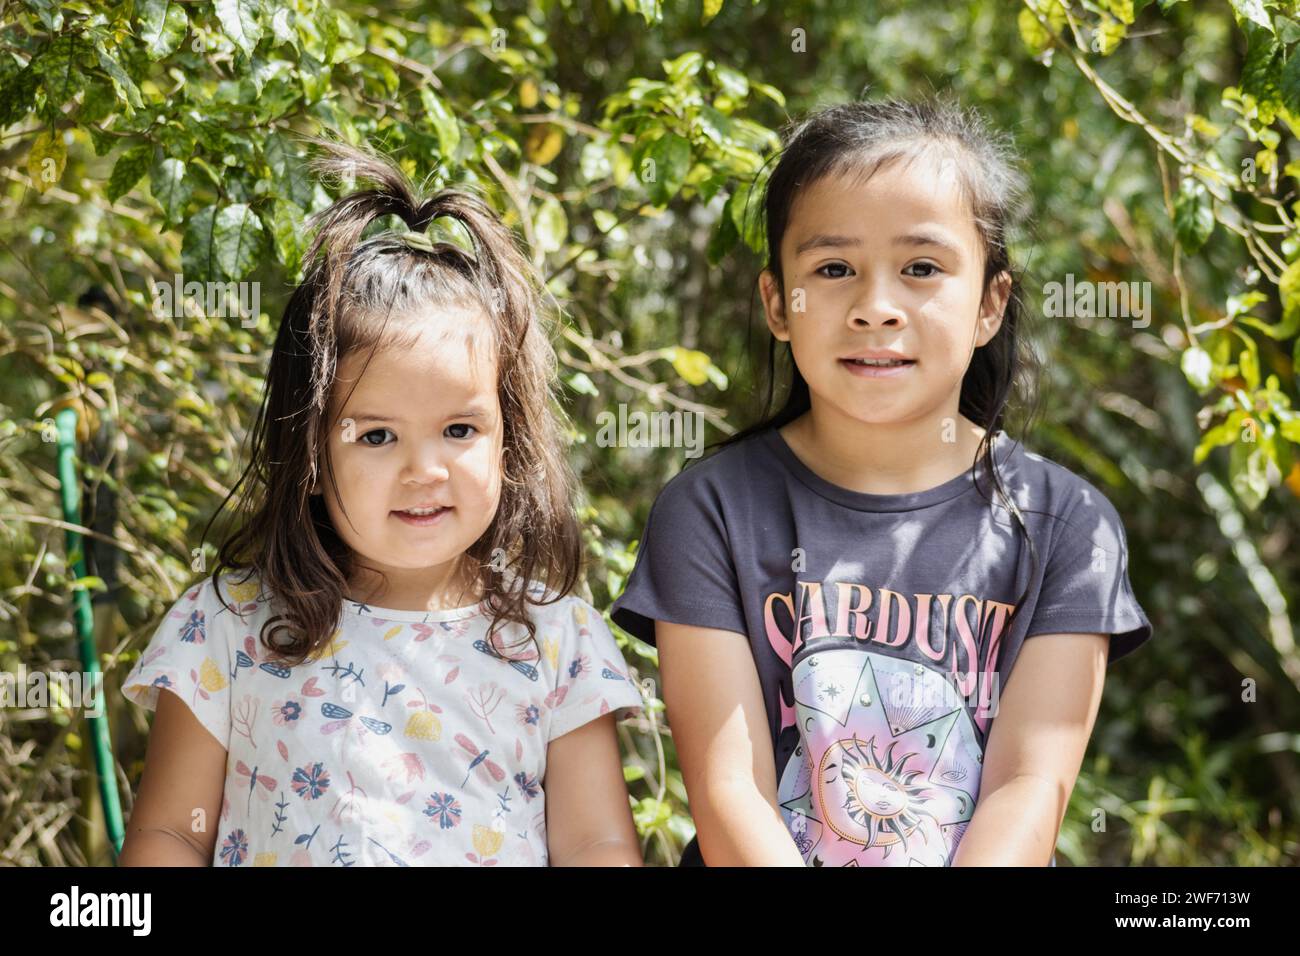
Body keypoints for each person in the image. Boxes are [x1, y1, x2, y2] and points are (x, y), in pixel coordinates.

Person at [610, 96, 1153, 867]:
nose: (876, 308)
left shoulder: (1069, 526)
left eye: (922, 268)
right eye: (834, 269)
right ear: (778, 304)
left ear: (990, 303)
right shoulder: (712, 511)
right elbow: (731, 791)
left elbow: (1026, 790)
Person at [119, 139, 643, 867]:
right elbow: (171, 833)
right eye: (376, 436)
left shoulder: (557, 642)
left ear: (509, 443)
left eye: (459, 429)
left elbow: (597, 844)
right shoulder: (225, 629)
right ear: (307, 451)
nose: (422, 469)